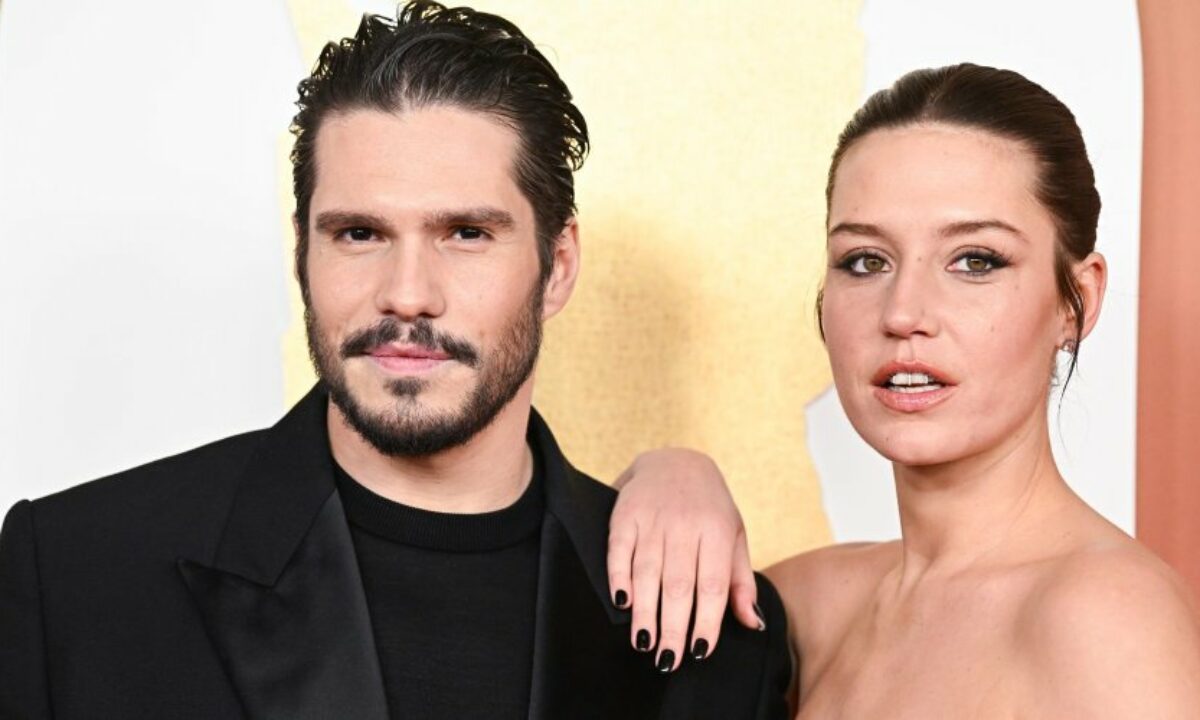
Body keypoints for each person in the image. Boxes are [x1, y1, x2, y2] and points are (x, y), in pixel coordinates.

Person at [0, 3, 789, 719]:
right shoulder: (74, 571)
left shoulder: (716, 636)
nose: (407, 295)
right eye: (359, 234)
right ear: (303, 253)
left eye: (467, 234)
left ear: (557, 267)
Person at [610, 63, 1200, 717]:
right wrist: (672, 473)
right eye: (866, 261)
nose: (903, 312)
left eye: (975, 260)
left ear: (1076, 301)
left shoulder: (1107, 618)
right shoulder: (811, 606)